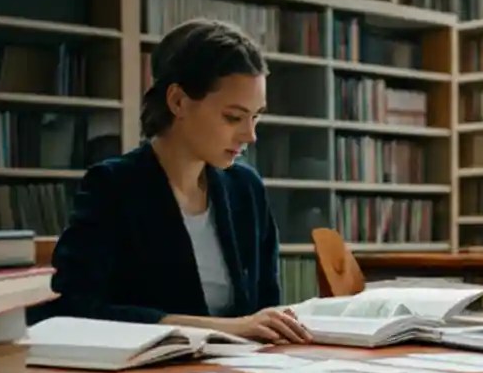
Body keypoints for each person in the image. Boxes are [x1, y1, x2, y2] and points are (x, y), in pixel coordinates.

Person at [44, 18, 311, 344]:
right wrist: (223, 328)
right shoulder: (113, 186)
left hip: (244, 371)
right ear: (178, 102)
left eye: (256, 117)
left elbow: (265, 309)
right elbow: (75, 308)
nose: (250, 135)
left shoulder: (246, 188)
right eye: (234, 117)